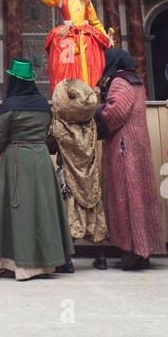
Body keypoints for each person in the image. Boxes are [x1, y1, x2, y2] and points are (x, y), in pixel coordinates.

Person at [0, 59, 73, 280]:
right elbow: (47, 131)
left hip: (15, 159)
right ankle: (47, 263)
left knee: (17, 211)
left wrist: (6, 154)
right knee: (43, 209)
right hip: (41, 159)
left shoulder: (9, 106)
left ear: (13, 80)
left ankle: (16, 264)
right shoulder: (44, 106)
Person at [94, 48, 165, 271]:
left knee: (125, 196)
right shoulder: (137, 82)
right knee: (139, 196)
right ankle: (142, 250)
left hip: (124, 146)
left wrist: (96, 111)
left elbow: (116, 112)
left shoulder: (120, 82)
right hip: (138, 144)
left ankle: (132, 252)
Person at [18, 0, 111, 90]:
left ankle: (91, 88)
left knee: (90, 63)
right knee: (66, 64)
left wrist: (104, 35)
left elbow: (95, 21)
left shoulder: (85, 0)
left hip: (86, 36)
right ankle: (68, 88)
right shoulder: (62, 0)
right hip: (69, 36)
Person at [49, 78, 105, 273]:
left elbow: (50, 145)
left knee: (70, 212)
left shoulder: (59, 123)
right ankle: (101, 257)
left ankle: (66, 260)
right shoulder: (91, 122)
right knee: (94, 210)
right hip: (91, 175)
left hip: (68, 175)